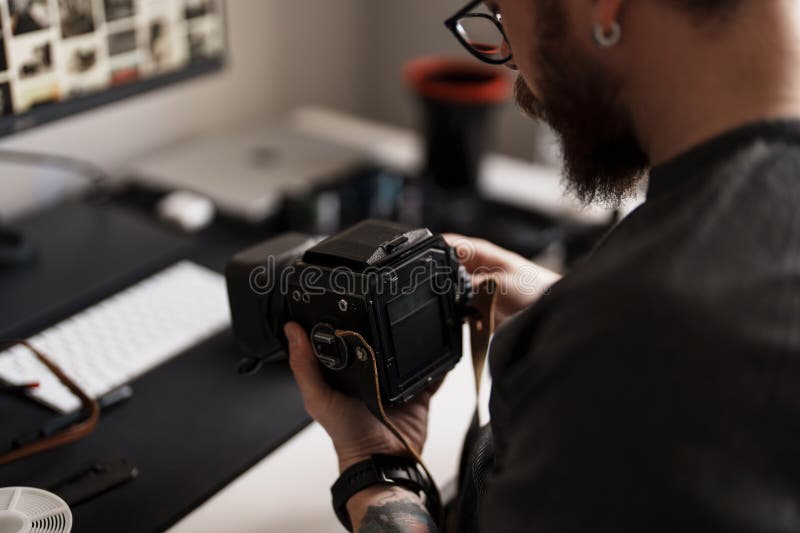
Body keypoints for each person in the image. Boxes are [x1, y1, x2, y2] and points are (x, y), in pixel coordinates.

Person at [285, 0, 800, 531]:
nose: (516, 76)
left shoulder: (640, 335)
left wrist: (375, 469)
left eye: (502, 14)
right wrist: (570, 310)